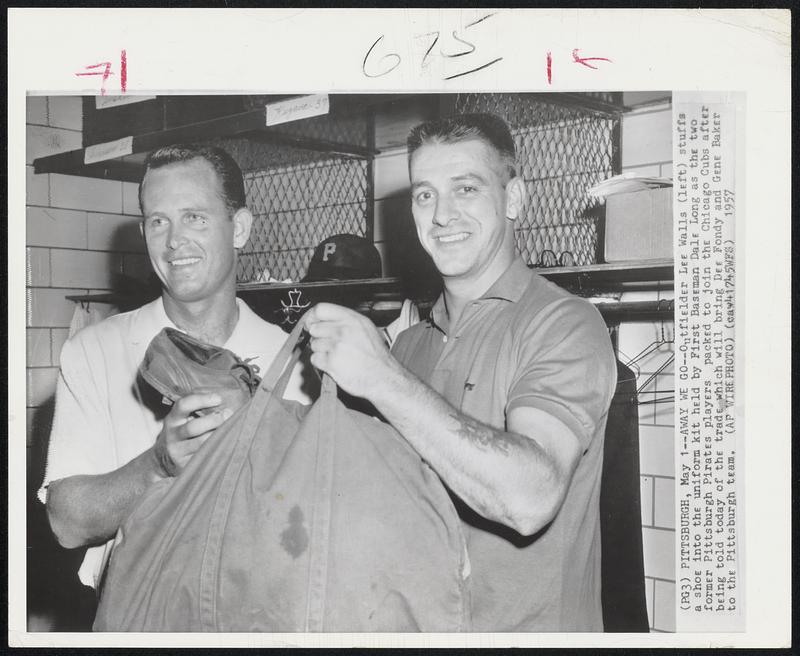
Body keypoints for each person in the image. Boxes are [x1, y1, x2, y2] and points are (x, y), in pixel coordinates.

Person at [304, 113, 617, 631]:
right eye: (425, 195)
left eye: (466, 189)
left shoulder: (564, 323)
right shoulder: (410, 346)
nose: (442, 215)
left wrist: (382, 378)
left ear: (514, 199)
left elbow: (530, 499)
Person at [39, 144, 309, 590]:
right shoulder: (95, 351)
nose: (173, 241)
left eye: (195, 217)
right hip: (136, 609)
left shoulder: (296, 360)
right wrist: (159, 464)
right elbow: (66, 523)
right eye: (158, 221)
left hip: (263, 605)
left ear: (240, 228)